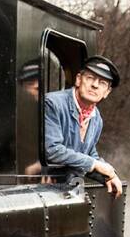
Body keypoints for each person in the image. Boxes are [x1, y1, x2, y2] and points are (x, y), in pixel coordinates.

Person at [43, 55, 122, 196]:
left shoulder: (97, 118)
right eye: (90, 78)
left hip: (68, 190)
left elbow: (90, 153)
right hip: (44, 186)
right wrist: (96, 164)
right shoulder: (52, 103)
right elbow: (52, 150)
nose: (95, 85)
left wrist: (110, 176)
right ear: (79, 79)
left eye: (103, 83)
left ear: (107, 92)